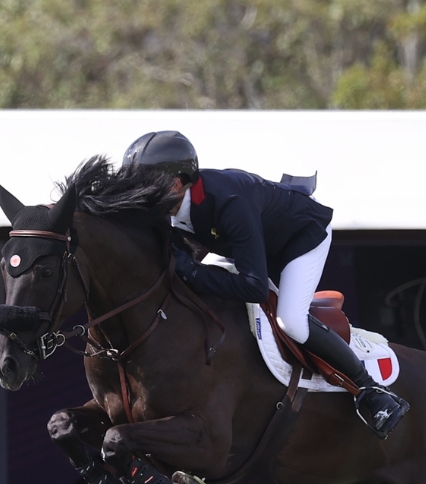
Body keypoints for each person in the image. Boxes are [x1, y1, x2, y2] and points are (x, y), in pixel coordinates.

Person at [122, 130, 409, 439]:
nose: (139, 197)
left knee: (291, 321)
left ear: (177, 184)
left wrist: (191, 273)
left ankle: (370, 389)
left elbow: (254, 287)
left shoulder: (228, 200)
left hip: (301, 239)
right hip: (249, 247)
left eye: (145, 188)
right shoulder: (170, 206)